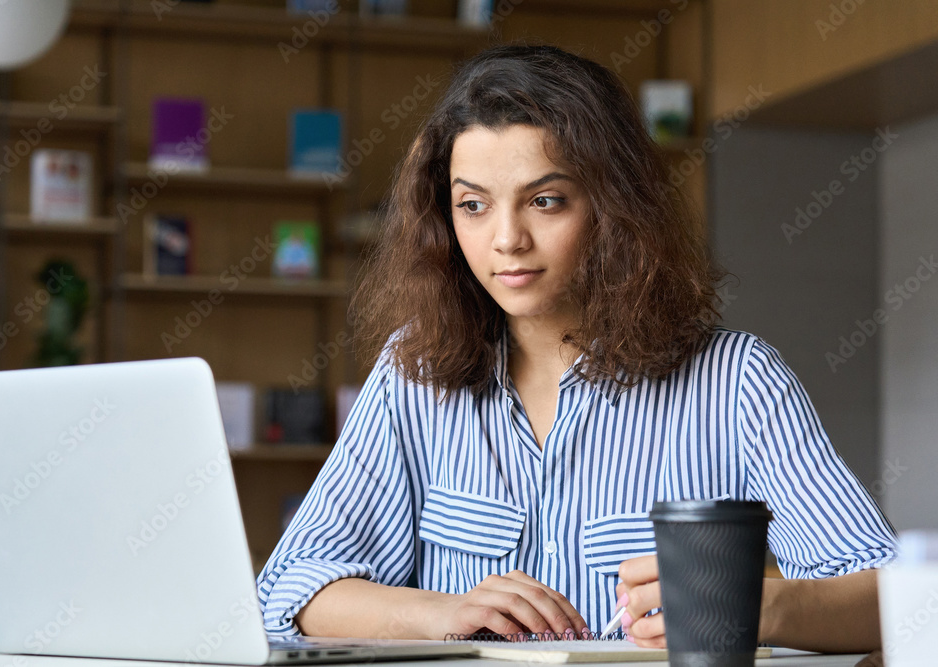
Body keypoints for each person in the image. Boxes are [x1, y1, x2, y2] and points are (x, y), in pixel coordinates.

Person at [256, 43, 897, 652]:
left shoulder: (735, 379)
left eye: (546, 201)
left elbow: (890, 597)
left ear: (614, 206)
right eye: (472, 205)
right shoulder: (412, 370)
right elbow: (290, 587)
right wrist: (440, 611)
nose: (506, 239)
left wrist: (758, 606)